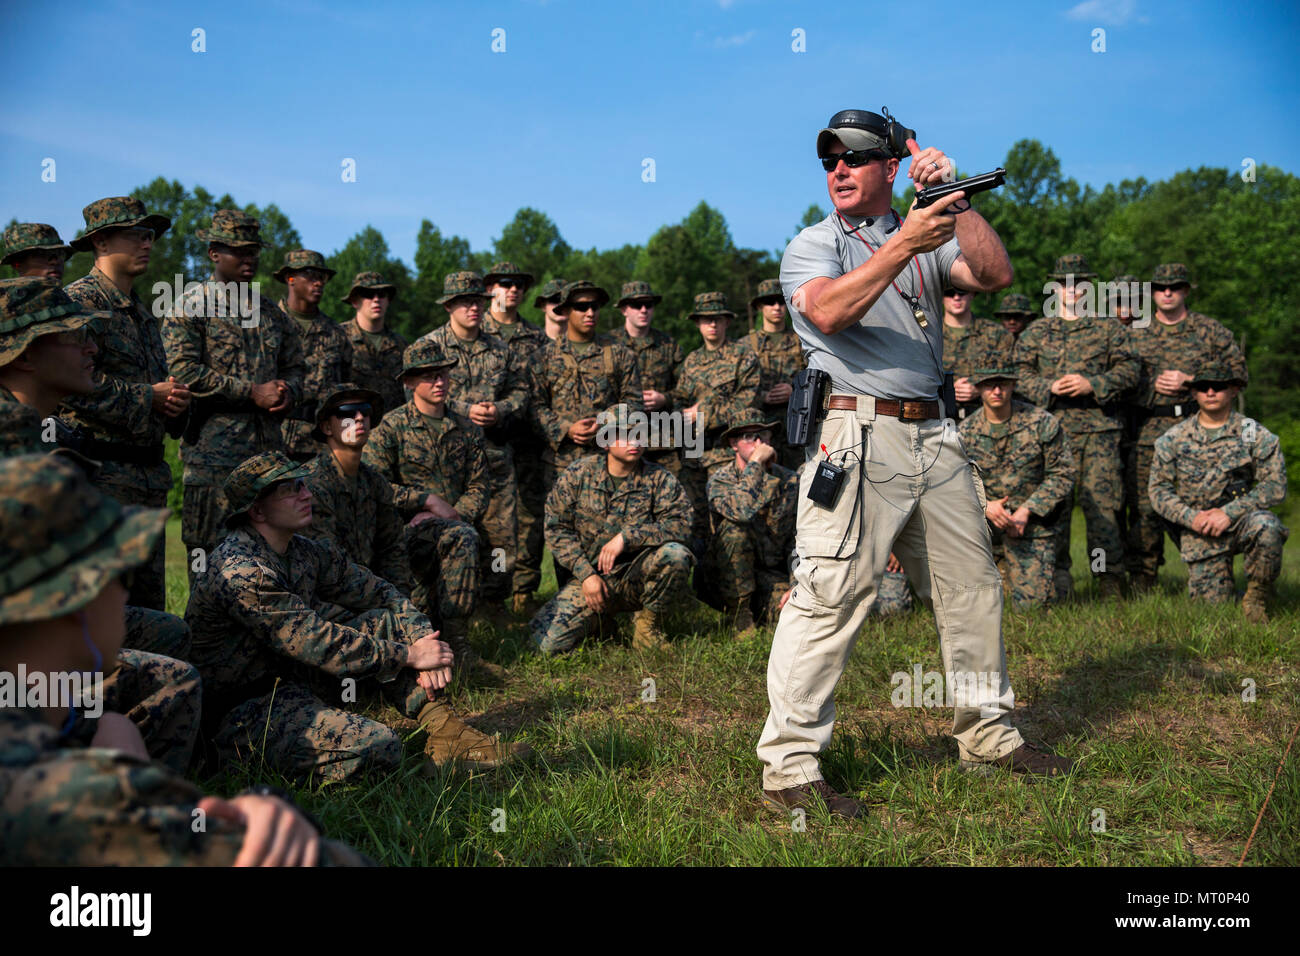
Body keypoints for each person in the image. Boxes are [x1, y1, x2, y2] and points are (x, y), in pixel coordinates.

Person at [758, 109, 1072, 820]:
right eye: (829, 160)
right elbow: (831, 313)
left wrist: (954, 199)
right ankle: (788, 771)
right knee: (829, 597)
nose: (838, 169)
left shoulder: (929, 229)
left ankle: (989, 737)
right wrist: (906, 239)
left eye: (856, 158)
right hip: (856, 434)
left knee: (972, 590)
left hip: (936, 437)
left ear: (890, 169)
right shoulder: (813, 245)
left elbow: (993, 273)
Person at [0, 455, 368, 866]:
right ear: (73, 605)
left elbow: (108, 726)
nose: (127, 592)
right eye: (118, 571)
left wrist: (153, 792)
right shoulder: (54, 799)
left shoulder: (30, 712)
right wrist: (257, 818)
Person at [187, 452, 528, 778]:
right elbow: (317, 642)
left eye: (302, 485)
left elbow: (378, 591)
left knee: (384, 621)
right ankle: (225, 760)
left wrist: (423, 638)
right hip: (241, 710)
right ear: (257, 511)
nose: (305, 494)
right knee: (379, 746)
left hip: (289, 679)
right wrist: (410, 655)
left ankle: (448, 734)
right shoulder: (241, 570)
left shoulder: (302, 551)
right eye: (289, 490)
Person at [162, 209, 305, 584]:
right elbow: (183, 373)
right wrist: (251, 392)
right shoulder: (189, 306)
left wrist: (288, 393)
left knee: (270, 562)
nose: (249, 259)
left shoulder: (271, 312)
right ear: (213, 253)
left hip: (268, 462)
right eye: (239, 251)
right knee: (210, 565)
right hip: (213, 464)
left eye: (254, 251)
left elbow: (296, 368)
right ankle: (204, 643)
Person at [62, 197, 190, 611]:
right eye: (135, 234)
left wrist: (172, 404)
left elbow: (155, 390)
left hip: (148, 484)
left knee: (150, 616)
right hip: (101, 484)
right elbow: (69, 383)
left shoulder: (142, 313)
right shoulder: (77, 305)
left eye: (149, 235)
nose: (147, 243)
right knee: (105, 617)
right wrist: (147, 397)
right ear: (101, 241)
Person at [362, 340, 493, 677]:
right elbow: (375, 484)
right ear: (408, 383)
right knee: (419, 609)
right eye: (428, 377)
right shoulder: (391, 427)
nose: (439, 382)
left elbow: (480, 486)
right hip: (406, 534)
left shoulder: (466, 428)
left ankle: (458, 643)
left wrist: (451, 513)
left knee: (462, 536)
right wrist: (423, 500)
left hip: (454, 528)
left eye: (443, 375)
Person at [1012, 254, 1139, 600]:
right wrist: (1047, 388)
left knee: (1103, 513)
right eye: (1065, 283)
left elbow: (1131, 370)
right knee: (1056, 510)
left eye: (1079, 283)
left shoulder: (1108, 328)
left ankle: (1105, 579)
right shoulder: (1038, 331)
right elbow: (1018, 373)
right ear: (1055, 287)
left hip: (1099, 433)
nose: (1072, 289)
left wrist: (1093, 384)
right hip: (1052, 436)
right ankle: (1059, 578)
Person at [530, 405, 694, 654]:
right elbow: (555, 528)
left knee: (676, 555)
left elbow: (682, 524)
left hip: (634, 577)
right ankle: (600, 623)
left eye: (639, 433)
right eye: (625, 434)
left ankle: (647, 627)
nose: (634, 441)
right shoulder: (578, 474)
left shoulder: (659, 478)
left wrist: (628, 537)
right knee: (544, 646)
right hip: (590, 581)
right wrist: (586, 574)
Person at [1124, 263, 1247, 592]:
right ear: (1151, 292)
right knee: (1145, 509)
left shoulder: (1210, 331)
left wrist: (1193, 382)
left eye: (1175, 287)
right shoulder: (1135, 332)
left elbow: (1239, 373)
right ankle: (1143, 582)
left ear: (1186, 291)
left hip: (1201, 432)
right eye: (1161, 287)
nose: (1167, 293)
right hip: (1147, 430)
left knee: (1203, 504)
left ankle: (1211, 577)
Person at [417, 272, 528, 609]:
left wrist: (500, 409)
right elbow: (417, 397)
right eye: (465, 301)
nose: (474, 307)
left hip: (493, 455)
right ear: (449, 305)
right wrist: (465, 408)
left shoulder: (500, 349)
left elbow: (522, 391)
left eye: (478, 301)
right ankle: (451, 606)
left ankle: (494, 603)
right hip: (446, 458)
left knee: (499, 540)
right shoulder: (429, 347)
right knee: (454, 531)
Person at [1149, 363, 1287, 623]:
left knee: (1267, 527)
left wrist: (1228, 513)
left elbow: (1275, 485)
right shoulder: (1174, 438)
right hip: (1200, 530)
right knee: (1213, 611)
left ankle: (1257, 595)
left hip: (1241, 522)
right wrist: (1192, 518)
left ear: (1234, 389)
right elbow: (1158, 491)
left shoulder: (1251, 432)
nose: (1210, 392)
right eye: (1203, 387)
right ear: (1193, 393)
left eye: (1219, 386)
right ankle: (1229, 587)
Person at [959, 369, 1076, 608]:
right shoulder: (965, 432)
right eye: (989, 385)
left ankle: (1054, 573)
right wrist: (985, 505)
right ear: (978, 388)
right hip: (985, 529)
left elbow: (1063, 472)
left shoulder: (1041, 422)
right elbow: (957, 481)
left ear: (1013, 385)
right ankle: (1002, 564)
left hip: (1031, 526)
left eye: (1003, 384)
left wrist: (1028, 510)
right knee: (976, 604)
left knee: (1031, 606)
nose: (997, 391)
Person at [529, 280, 642, 495]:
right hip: (559, 465)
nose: (590, 313)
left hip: (608, 462)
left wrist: (604, 423)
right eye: (581, 307)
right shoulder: (543, 357)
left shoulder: (619, 354)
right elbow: (534, 407)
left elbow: (634, 403)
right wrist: (566, 429)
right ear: (565, 311)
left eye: (595, 307)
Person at [671, 291, 761, 556]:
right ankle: (703, 587)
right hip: (694, 456)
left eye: (718, 319)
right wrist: (682, 414)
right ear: (698, 323)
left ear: (727, 322)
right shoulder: (692, 361)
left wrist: (704, 413)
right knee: (696, 523)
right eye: (706, 319)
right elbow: (680, 399)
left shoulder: (743, 357)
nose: (712, 324)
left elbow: (747, 402)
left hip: (728, 455)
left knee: (729, 522)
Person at [303, 384, 411, 590]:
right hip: (328, 598)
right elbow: (327, 563)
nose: (360, 418)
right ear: (327, 427)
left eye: (366, 411)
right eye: (348, 413)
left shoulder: (374, 482)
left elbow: (392, 549)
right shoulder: (313, 483)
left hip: (370, 592)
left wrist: (399, 602)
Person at [703, 414, 798, 638]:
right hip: (727, 578)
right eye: (748, 437)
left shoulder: (790, 481)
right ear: (733, 444)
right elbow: (739, 511)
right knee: (734, 529)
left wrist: (797, 584)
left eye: (762, 435)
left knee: (794, 619)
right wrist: (755, 464)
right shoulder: (720, 479)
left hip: (768, 574)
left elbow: (798, 537)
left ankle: (761, 609)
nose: (758, 443)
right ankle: (740, 616)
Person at [275, 249, 352, 461]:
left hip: (323, 447)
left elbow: (344, 387)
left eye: (322, 278)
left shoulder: (336, 334)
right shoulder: (268, 325)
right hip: (276, 442)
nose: (318, 283)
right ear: (290, 278)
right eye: (310, 275)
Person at [608, 280, 686, 477]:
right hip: (621, 442)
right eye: (637, 305)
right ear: (624, 309)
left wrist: (665, 398)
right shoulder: (608, 345)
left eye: (648, 305)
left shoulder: (669, 345)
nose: (643, 310)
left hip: (662, 441)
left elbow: (687, 391)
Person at [744, 278, 807, 469]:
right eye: (770, 302)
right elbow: (736, 388)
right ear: (759, 307)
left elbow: (820, 379)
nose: (777, 307)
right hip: (760, 434)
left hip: (796, 432)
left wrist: (795, 391)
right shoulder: (746, 345)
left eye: (781, 301)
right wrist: (760, 396)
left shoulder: (803, 341)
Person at [339, 271, 407, 419]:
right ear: (354, 301)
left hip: (391, 428)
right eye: (368, 295)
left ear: (388, 300)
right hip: (351, 426)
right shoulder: (339, 338)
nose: (376, 300)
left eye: (382, 294)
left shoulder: (400, 344)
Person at [941, 284, 1013, 422]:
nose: (956, 297)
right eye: (949, 293)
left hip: (986, 419)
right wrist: (947, 390)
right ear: (941, 296)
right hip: (939, 419)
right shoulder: (928, 335)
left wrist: (980, 388)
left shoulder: (996, 334)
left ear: (973, 293)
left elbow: (1013, 376)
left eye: (962, 291)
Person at [2, 222, 73, 280]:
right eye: (42, 254)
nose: (55, 261)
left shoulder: (74, 296)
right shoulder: (5, 297)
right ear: (16, 263)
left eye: (60, 254)